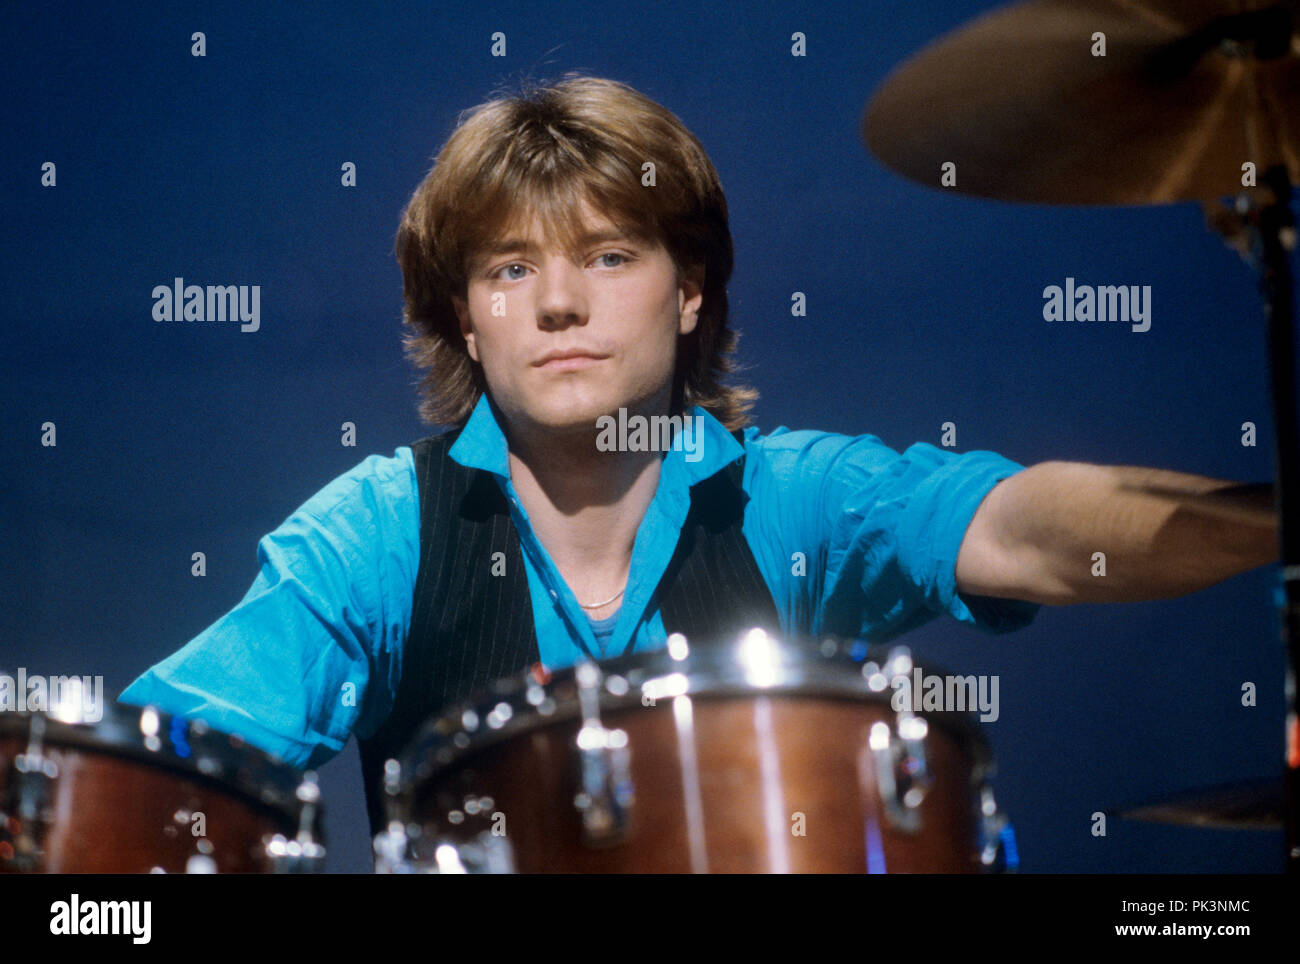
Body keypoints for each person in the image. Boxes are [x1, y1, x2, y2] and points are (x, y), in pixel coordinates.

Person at [119, 73, 1279, 839]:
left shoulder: (790, 499)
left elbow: (1028, 527)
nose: (560, 302)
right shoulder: (380, 531)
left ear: (691, 292)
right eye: (511, 268)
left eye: (611, 255)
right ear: (467, 319)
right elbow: (143, 788)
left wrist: (1274, 524)